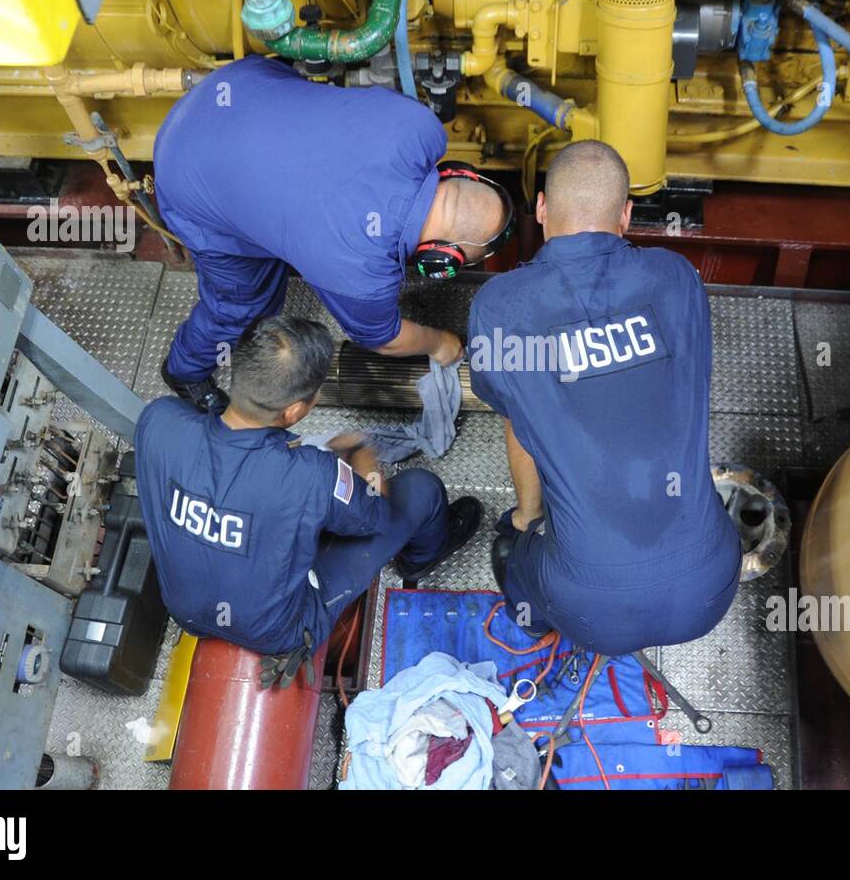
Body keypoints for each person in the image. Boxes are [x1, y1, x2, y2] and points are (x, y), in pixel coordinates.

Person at [467, 140, 740, 655]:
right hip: (711, 587)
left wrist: (529, 520)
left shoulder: (500, 306)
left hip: (590, 610)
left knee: (512, 544)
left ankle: (531, 620)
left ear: (542, 208)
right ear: (626, 215)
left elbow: (516, 418)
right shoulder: (675, 276)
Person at [154, 55, 511, 412]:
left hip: (237, 84)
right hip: (184, 171)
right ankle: (184, 370)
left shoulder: (420, 125)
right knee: (243, 304)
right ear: (441, 258)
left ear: (460, 173)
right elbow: (384, 339)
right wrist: (440, 344)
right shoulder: (363, 275)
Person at [133, 314, 482, 662]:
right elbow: (376, 517)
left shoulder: (159, 420)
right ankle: (418, 560)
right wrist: (362, 454)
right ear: (294, 411)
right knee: (421, 489)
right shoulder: (313, 474)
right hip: (277, 632)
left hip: (187, 611)